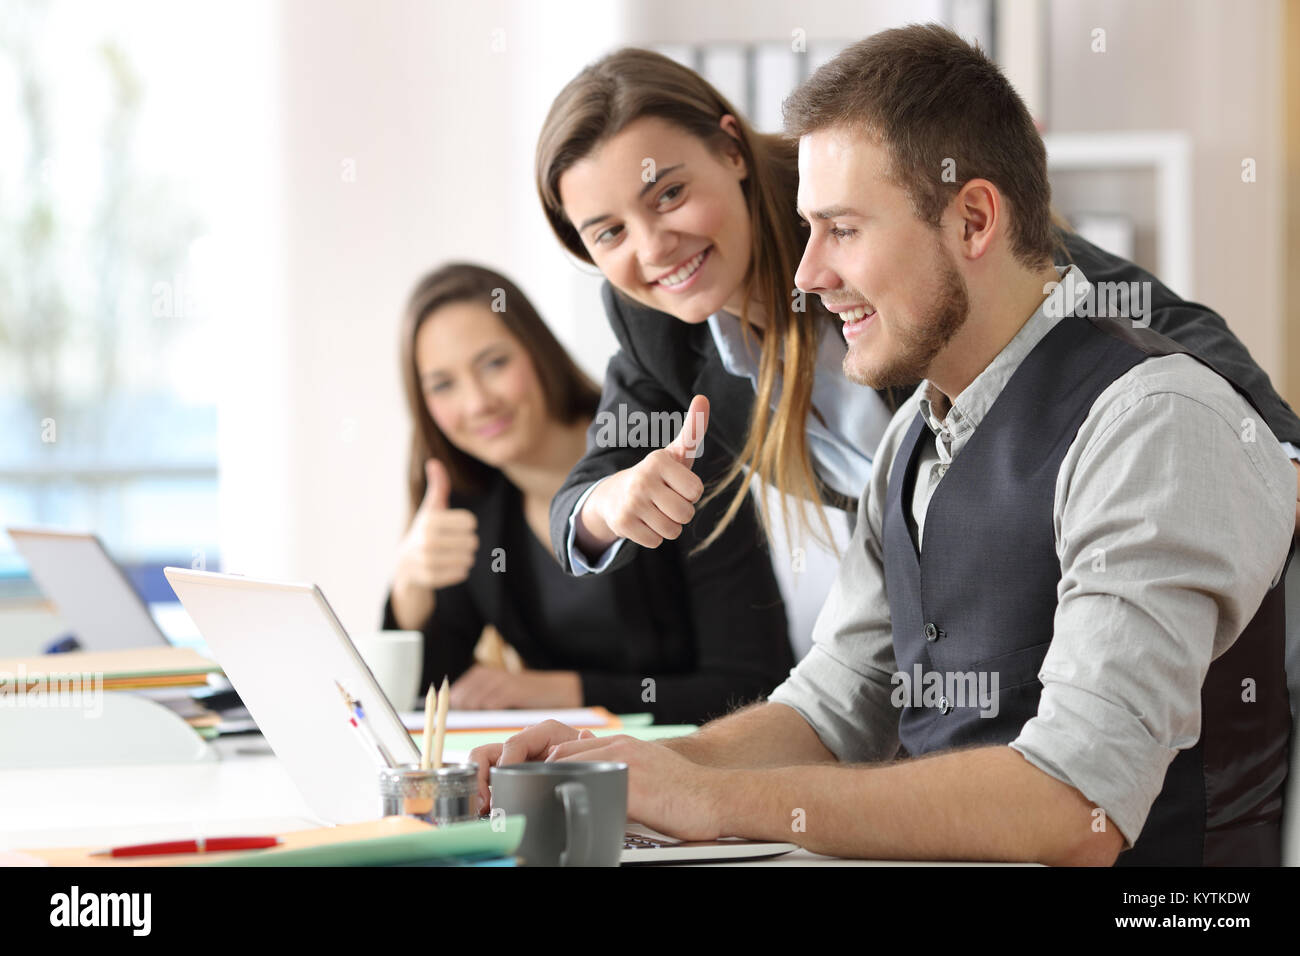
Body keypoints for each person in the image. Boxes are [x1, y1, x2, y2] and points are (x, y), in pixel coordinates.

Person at [474, 25, 1295, 866]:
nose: (806, 275)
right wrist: (608, 772)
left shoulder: (1150, 417)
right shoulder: (913, 434)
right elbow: (833, 709)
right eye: (808, 230)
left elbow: (1072, 806)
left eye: (843, 230)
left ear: (972, 217)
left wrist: (711, 799)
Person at [536, 45, 1300, 583]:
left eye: (669, 193)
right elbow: (585, 495)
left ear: (731, 149)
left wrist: (1273, 455)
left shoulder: (848, 199)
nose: (653, 245)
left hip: (1079, 552)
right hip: (952, 596)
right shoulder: (653, 323)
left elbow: (1119, 306)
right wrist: (608, 506)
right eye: (607, 232)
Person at [381, 263, 792, 725]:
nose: (477, 402)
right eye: (443, 385)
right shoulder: (471, 509)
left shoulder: (673, 458)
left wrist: (566, 692)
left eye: (494, 363)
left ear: (537, 352)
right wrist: (410, 587)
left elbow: (754, 686)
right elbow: (434, 698)